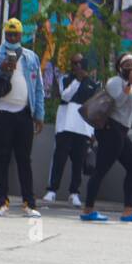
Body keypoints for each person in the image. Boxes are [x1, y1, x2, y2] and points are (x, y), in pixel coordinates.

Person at [0, 17, 44, 217]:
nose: (12, 37)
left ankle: (29, 203)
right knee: (2, 157)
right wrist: (1, 68)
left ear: (21, 35)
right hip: (0, 112)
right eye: (9, 34)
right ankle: (1, 201)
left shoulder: (30, 57)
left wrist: (39, 114)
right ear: (5, 34)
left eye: (16, 34)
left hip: (24, 114)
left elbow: (39, 87)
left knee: (24, 159)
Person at [81, 53, 132, 222]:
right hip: (111, 130)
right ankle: (88, 210)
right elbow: (118, 102)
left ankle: (128, 210)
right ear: (120, 67)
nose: (131, 66)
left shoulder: (129, 86)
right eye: (127, 64)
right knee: (101, 170)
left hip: (122, 132)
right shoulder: (114, 82)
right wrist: (130, 83)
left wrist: (131, 84)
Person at [43, 52, 97, 206]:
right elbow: (65, 96)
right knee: (59, 160)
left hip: (83, 129)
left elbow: (93, 108)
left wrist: (93, 131)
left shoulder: (93, 84)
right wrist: (77, 81)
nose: (76, 66)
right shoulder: (65, 79)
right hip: (65, 126)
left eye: (79, 63)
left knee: (78, 163)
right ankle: (52, 190)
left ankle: (74, 193)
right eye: (74, 63)